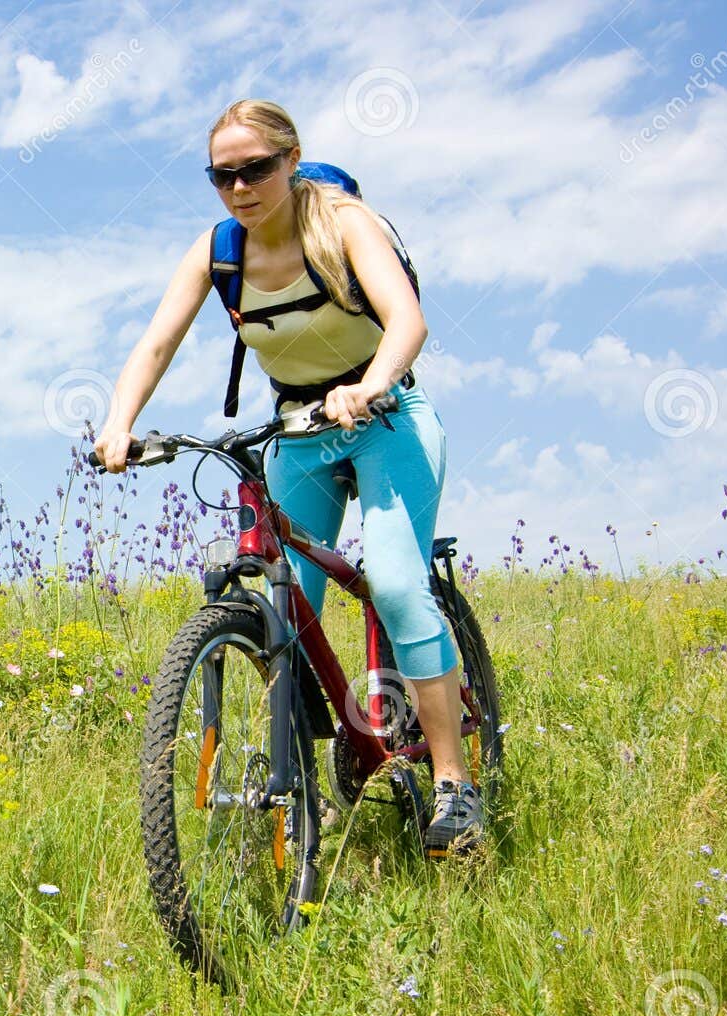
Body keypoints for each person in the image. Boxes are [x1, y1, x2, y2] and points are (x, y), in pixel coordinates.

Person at [93, 98, 480, 854]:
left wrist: (371, 383)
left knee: (397, 585)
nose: (240, 188)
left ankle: (453, 784)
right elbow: (156, 343)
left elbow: (407, 320)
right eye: (223, 176)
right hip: (297, 429)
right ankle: (307, 783)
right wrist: (119, 423)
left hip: (386, 418)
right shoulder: (218, 252)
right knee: (285, 608)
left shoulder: (343, 224)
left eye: (257, 169)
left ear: (292, 161)